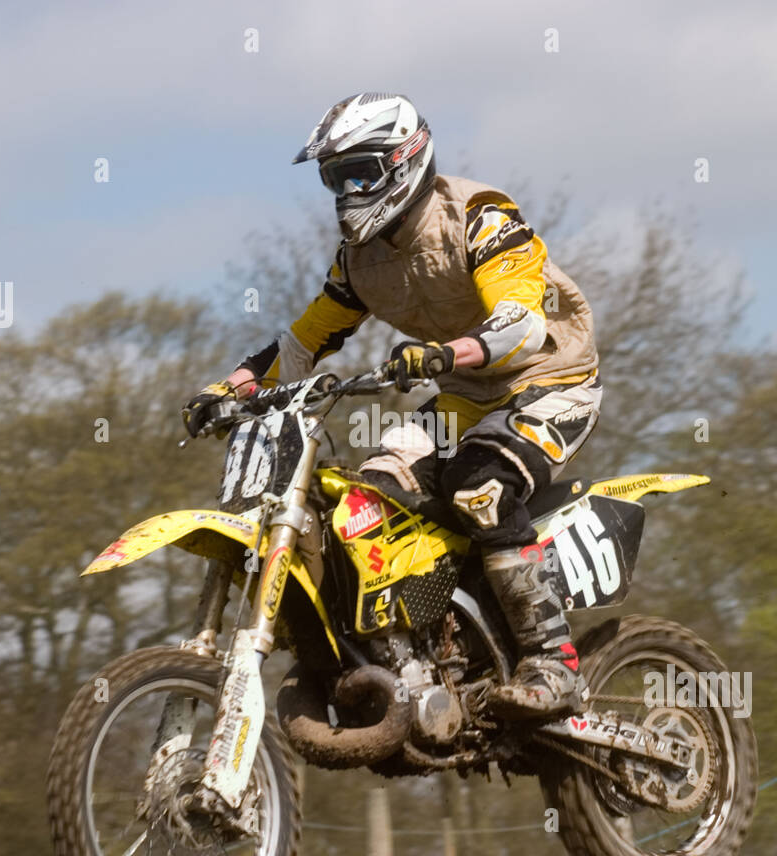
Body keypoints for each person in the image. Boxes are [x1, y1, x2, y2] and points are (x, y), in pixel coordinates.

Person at [183, 92, 601, 718]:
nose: (348, 191)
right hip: (466, 393)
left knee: (479, 488)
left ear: (403, 161)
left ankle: (552, 661)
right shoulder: (361, 261)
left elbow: (521, 326)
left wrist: (440, 355)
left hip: (550, 380)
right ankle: (428, 649)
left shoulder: (480, 217)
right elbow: (305, 338)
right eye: (336, 179)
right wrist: (232, 388)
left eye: (359, 174)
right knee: (372, 496)